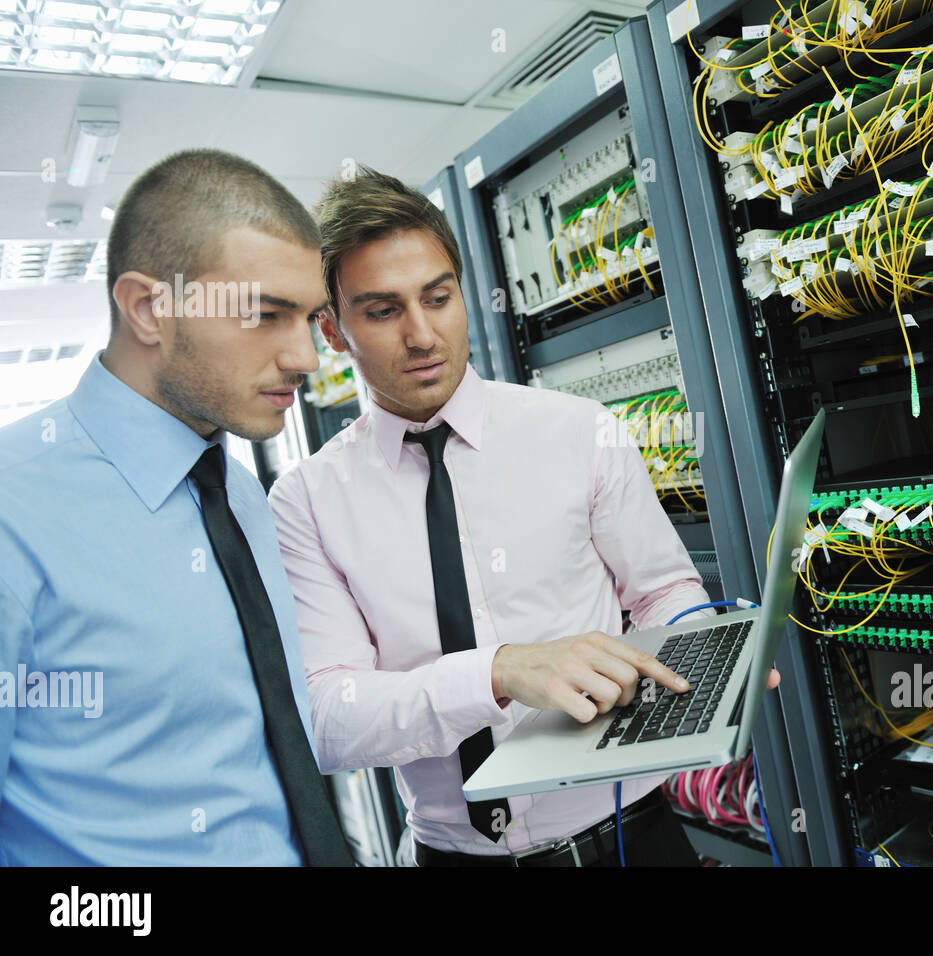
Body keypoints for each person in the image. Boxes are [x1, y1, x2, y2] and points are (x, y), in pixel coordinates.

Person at [268, 166, 777, 866]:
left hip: (631, 838)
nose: (423, 334)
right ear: (332, 329)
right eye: (383, 311)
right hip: (455, 856)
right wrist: (498, 674)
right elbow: (330, 720)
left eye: (438, 298)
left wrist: (707, 655)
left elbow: (663, 591)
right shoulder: (306, 500)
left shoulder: (579, 431)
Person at [0, 149, 353, 865]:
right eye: (266, 313)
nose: (307, 357)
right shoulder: (15, 512)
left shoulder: (237, 491)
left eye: (311, 318)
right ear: (148, 308)